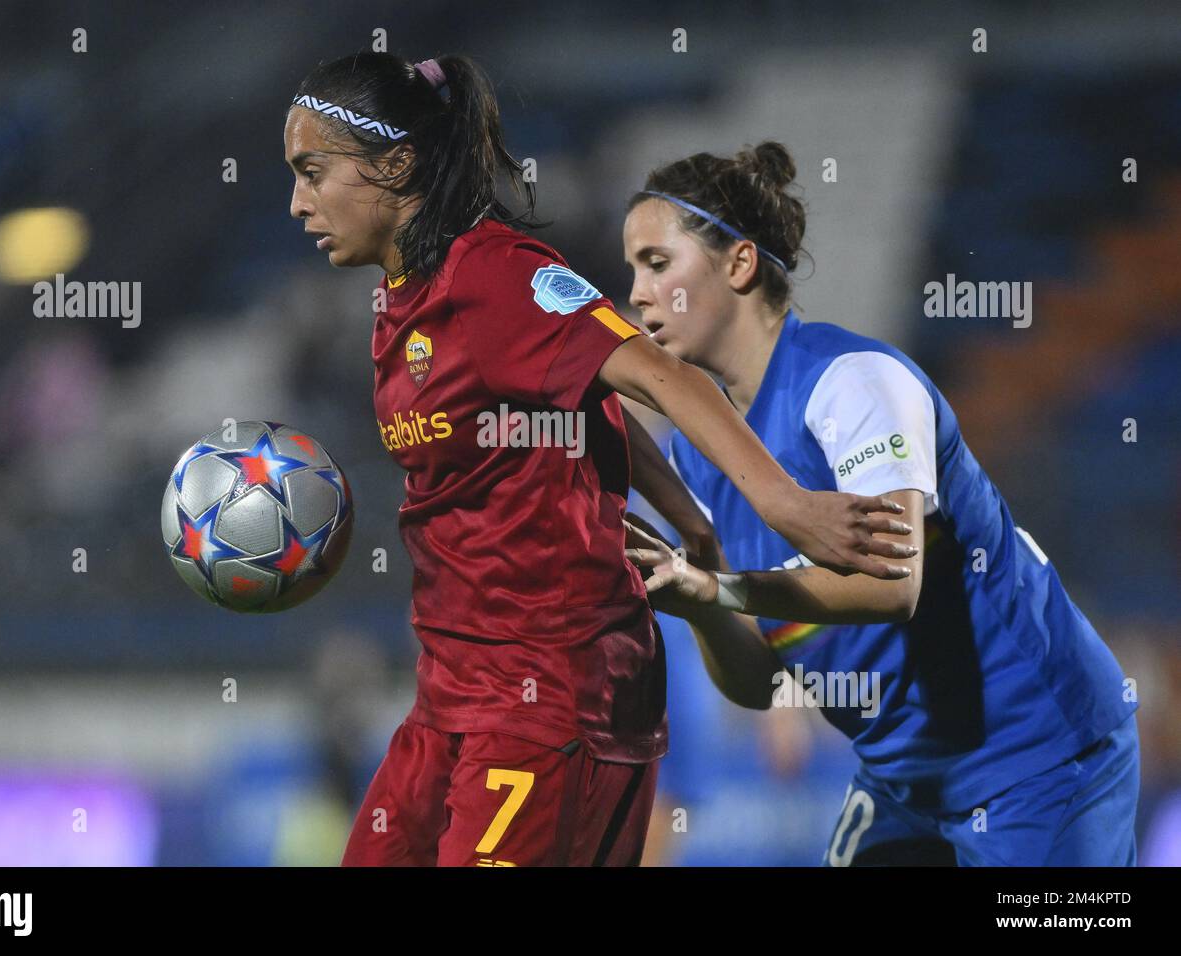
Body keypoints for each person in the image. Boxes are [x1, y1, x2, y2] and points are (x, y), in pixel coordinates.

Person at [284, 52, 912, 867]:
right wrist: (689, 519)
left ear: (395, 164)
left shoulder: (498, 277)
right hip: (451, 692)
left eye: (313, 172)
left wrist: (782, 505)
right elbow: (583, 402)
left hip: (548, 696)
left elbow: (659, 373)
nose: (297, 203)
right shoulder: (402, 301)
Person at [620, 140, 1141, 866]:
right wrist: (701, 604)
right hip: (905, 780)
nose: (638, 294)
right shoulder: (695, 458)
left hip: (1040, 760)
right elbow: (759, 683)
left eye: (656, 263)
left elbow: (891, 583)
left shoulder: (855, 383)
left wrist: (724, 586)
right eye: (632, 270)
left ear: (738, 263)